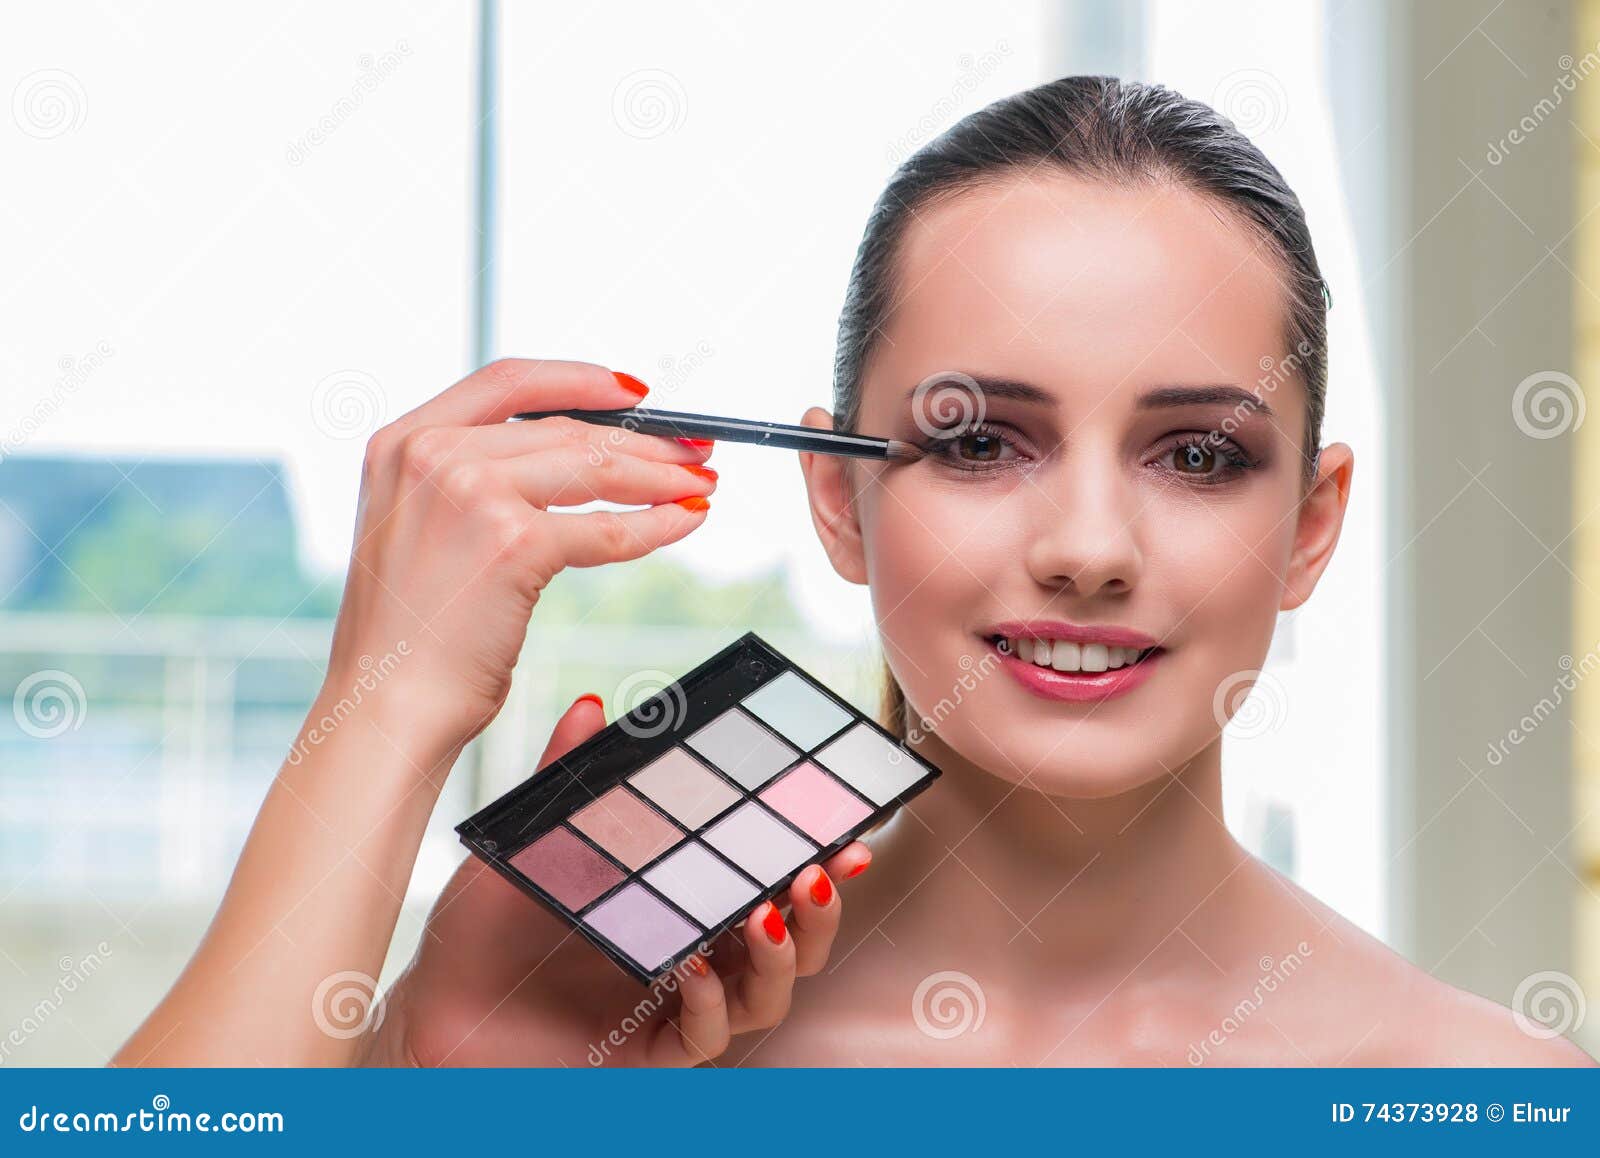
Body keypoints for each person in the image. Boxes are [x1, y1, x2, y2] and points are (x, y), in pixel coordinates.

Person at [115, 76, 1595, 1067]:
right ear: (838, 497)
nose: (1088, 548)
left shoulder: (1482, 1090)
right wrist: (385, 715)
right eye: (980, 441)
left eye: (1197, 454)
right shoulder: (591, 1036)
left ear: (1312, 526)